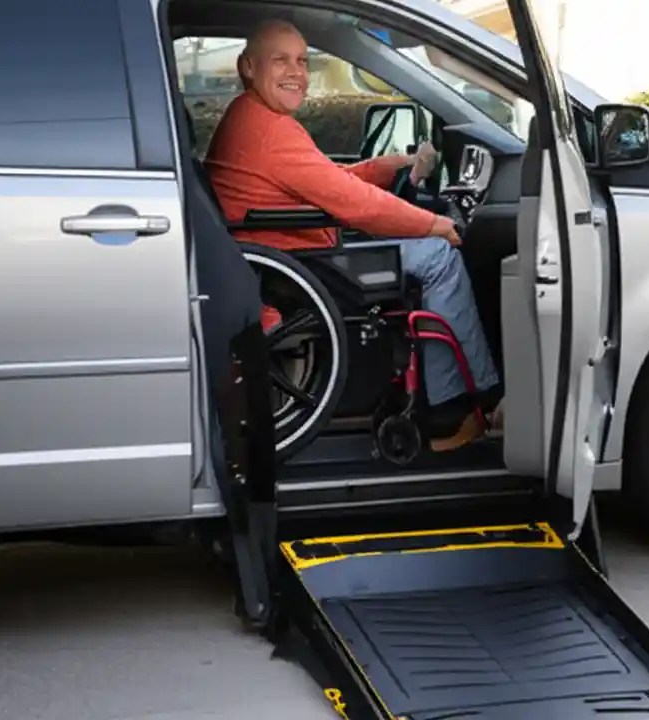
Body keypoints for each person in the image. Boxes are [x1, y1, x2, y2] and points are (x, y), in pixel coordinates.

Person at [203, 19, 501, 451]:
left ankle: (458, 395)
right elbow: (355, 205)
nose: (296, 72)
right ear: (248, 66)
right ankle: (453, 409)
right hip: (299, 266)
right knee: (439, 257)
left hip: (288, 254)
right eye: (280, 60)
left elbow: (326, 180)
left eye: (302, 61)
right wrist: (436, 224)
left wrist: (391, 166)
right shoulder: (269, 129)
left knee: (423, 245)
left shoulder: (249, 117)